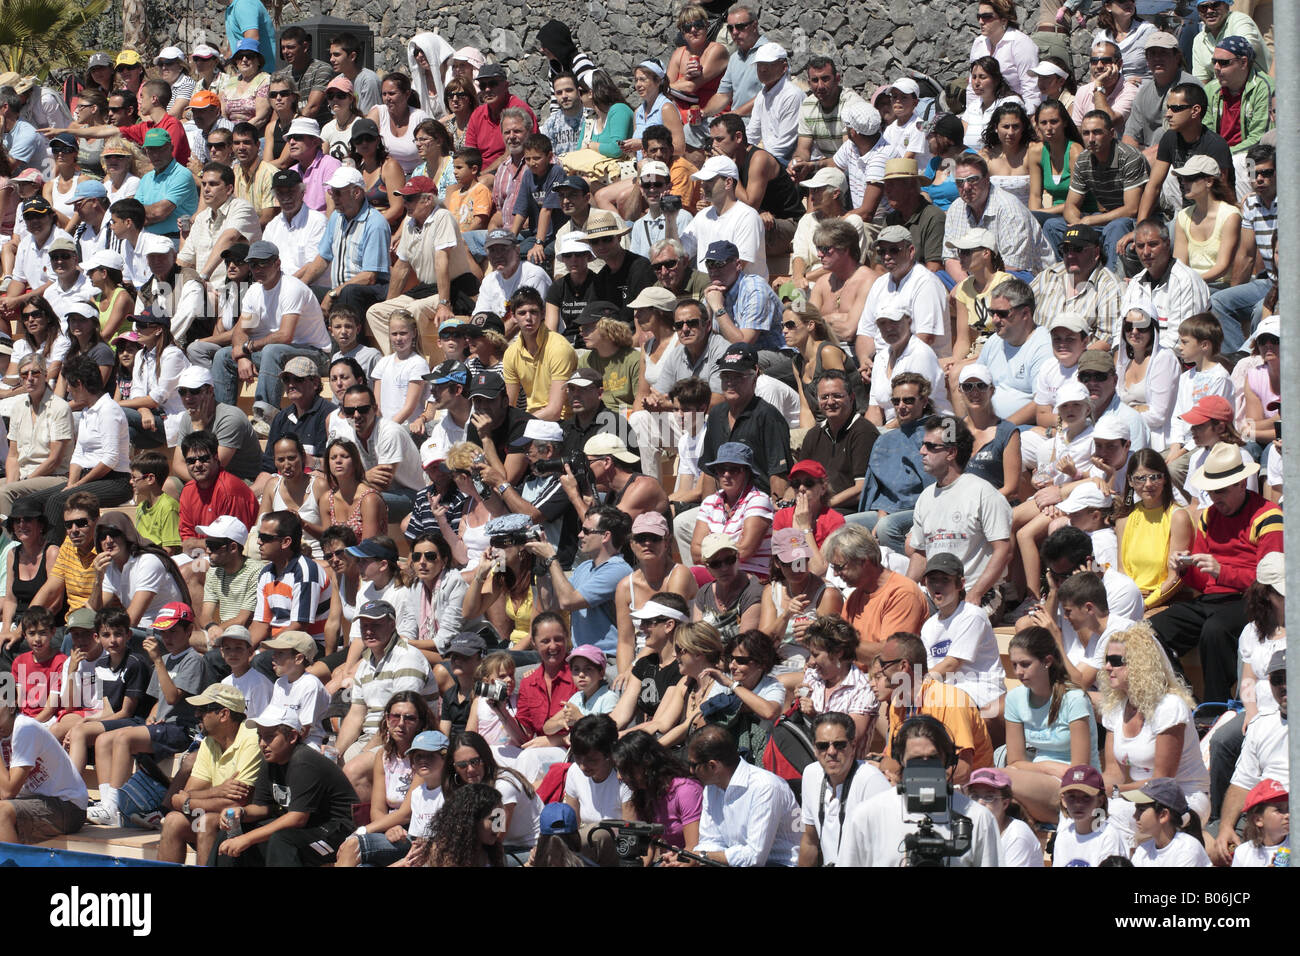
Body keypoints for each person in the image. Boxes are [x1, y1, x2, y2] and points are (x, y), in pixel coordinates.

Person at [1151, 441, 1280, 701]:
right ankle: (1186, 699)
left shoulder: (1268, 517)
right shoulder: (1209, 516)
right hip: (1213, 600)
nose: (1214, 498)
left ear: (1242, 485)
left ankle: (1216, 705)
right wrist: (1184, 569)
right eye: (1211, 491)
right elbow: (1205, 583)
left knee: (1215, 629)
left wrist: (1223, 572)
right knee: (1149, 631)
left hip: (1253, 600)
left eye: (1220, 490)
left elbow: (1271, 582)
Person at [1099, 622, 1210, 844]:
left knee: (1133, 826)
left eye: (1116, 661)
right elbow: (1114, 773)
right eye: (1106, 661)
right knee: (1089, 816)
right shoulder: (1115, 708)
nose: (1107, 667)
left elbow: (1163, 782)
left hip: (1181, 797)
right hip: (1137, 796)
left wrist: (1114, 792)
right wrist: (1093, 791)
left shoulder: (1169, 707)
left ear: (1140, 665)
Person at [838, 715, 1000, 866]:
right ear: (900, 759)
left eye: (932, 758)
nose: (925, 766)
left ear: (949, 760)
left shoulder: (978, 818)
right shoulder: (866, 816)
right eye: (916, 759)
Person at [212, 704, 356, 867]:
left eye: (269, 736)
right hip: (308, 828)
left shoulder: (304, 761)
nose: (262, 743)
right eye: (260, 736)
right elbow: (261, 807)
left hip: (337, 832)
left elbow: (297, 818)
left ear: (292, 737)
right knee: (234, 831)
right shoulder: (270, 760)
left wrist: (246, 839)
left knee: (281, 840)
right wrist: (241, 813)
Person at [1001, 625, 1099, 823]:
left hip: (1076, 784)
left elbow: (1080, 767)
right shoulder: (1014, 699)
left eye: (1025, 664)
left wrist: (1048, 770)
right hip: (1039, 774)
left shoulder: (1074, 699)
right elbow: (1015, 761)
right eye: (1014, 665)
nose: (1018, 672)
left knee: (998, 780)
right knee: (994, 781)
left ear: (1047, 661)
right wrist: (1049, 767)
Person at [155, 683, 261, 865]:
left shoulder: (252, 739)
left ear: (224, 714)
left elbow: (236, 802)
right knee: (172, 820)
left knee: (206, 821)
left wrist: (188, 801)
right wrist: (217, 790)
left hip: (249, 819)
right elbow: (185, 794)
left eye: (203, 710)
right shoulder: (209, 741)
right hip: (217, 814)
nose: (196, 715)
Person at [668, 725, 799, 867]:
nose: (691, 771)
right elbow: (711, 841)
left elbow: (754, 858)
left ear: (713, 766)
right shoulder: (711, 788)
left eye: (693, 765)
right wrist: (685, 858)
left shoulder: (765, 787)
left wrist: (700, 856)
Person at [528, 505, 631, 661]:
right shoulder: (584, 567)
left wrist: (551, 557)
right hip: (579, 656)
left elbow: (567, 601)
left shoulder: (617, 570)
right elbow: (550, 605)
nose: (580, 534)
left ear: (605, 536)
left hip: (607, 659)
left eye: (587, 531)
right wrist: (541, 563)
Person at [848, 371, 935, 553]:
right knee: (843, 525)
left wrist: (884, 518)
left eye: (908, 400)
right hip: (887, 512)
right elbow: (878, 488)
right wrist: (882, 512)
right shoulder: (884, 440)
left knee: (887, 528)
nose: (901, 406)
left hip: (924, 510)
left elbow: (937, 487)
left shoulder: (937, 433)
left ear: (924, 401)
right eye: (896, 401)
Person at [942, 155, 1055, 285]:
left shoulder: (1010, 210)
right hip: (975, 276)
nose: (966, 187)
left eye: (972, 179)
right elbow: (950, 257)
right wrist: (965, 287)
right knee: (938, 278)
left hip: (1023, 279)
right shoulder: (956, 208)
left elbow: (1013, 266)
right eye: (960, 182)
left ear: (986, 179)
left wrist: (974, 290)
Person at [0, 691, 88, 844]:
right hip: (31, 801)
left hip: (67, 806)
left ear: (11, 706)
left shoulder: (25, 728)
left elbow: (8, 792)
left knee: (2, 813)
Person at [681, 155, 766, 280]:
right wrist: (670, 219)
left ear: (728, 182)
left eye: (709, 180)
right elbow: (681, 254)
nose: (702, 185)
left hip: (742, 294)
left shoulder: (748, 216)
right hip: (709, 291)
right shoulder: (702, 216)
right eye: (702, 181)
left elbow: (738, 267)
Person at [1124, 777, 1212, 867]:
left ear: (1163, 815)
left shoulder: (1188, 848)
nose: (1134, 816)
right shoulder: (1142, 850)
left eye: (1141, 810)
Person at [965, 766, 1044, 867]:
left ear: (1005, 803)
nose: (980, 803)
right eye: (974, 796)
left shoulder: (1017, 835)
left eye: (989, 797)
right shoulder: (967, 830)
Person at [961, 56, 1024, 151]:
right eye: (974, 77)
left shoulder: (1011, 102)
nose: (977, 82)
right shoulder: (973, 106)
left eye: (982, 77)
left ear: (996, 80)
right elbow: (962, 135)